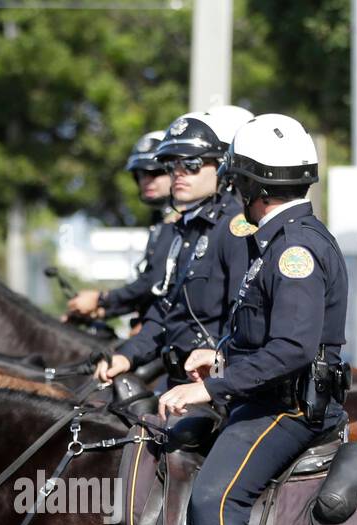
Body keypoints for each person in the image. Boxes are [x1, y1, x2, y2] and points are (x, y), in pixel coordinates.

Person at [152, 113, 351, 525]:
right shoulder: (278, 243)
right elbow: (270, 336)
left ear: (247, 184)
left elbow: (292, 350)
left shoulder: (294, 251)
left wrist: (210, 390)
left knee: (217, 497)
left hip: (290, 409)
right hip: (264, 395)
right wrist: (219, 359)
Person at [93, 105, 254, 389]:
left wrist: (211, 384)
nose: (178, 173)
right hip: (178, 376)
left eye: (191, 165)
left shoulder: (235, 230)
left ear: (223, 166)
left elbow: (242, 326)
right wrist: (125, 356)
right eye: (172, 165)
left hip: (216, 384)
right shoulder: (184, 231)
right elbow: (164, 313)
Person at [63, 131, 175, 328]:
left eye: (156, 172)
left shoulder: (180, 220)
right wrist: (102, 311)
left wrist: (101, 299)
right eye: (140, 174)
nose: (146, 180)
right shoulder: (160, 219)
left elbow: (154, 283)